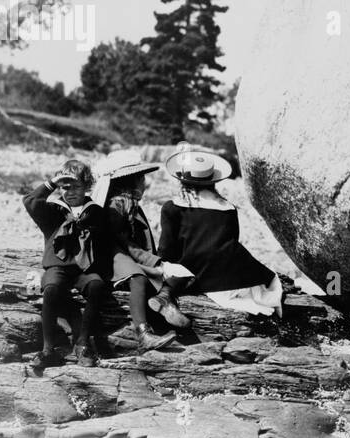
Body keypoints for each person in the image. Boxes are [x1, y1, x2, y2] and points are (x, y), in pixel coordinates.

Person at [151, 143, 282, 325]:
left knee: (169, 268)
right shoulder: (228, 208)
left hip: (198, 273)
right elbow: (231, 242)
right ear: (213, 181)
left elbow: (167, 250)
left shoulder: (172, 208)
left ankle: (166, 296)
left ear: (182, 179)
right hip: (231, 276)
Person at [22, 159, 114, 370]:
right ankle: (48, 349)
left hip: (84, 269)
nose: (70, 192)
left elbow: (105, 244)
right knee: (52, 288)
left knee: (96, 285)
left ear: (87, 186)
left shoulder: (96, 212)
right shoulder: (53, 210)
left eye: (76, 187)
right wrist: (52, 183)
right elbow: (29, 201)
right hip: (58, 265)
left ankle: (82, 344)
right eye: (65, 187)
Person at [91, 150, 178, 354]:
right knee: (138, 277)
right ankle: (143, 334)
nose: (144, 183)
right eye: (141, 178)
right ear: (132, 181)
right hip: (111, 255)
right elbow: (124, 242)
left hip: (123, 254)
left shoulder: (130, 205)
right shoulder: (117, 205)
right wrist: (153, 262)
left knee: (170, 275)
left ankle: (167, 307)